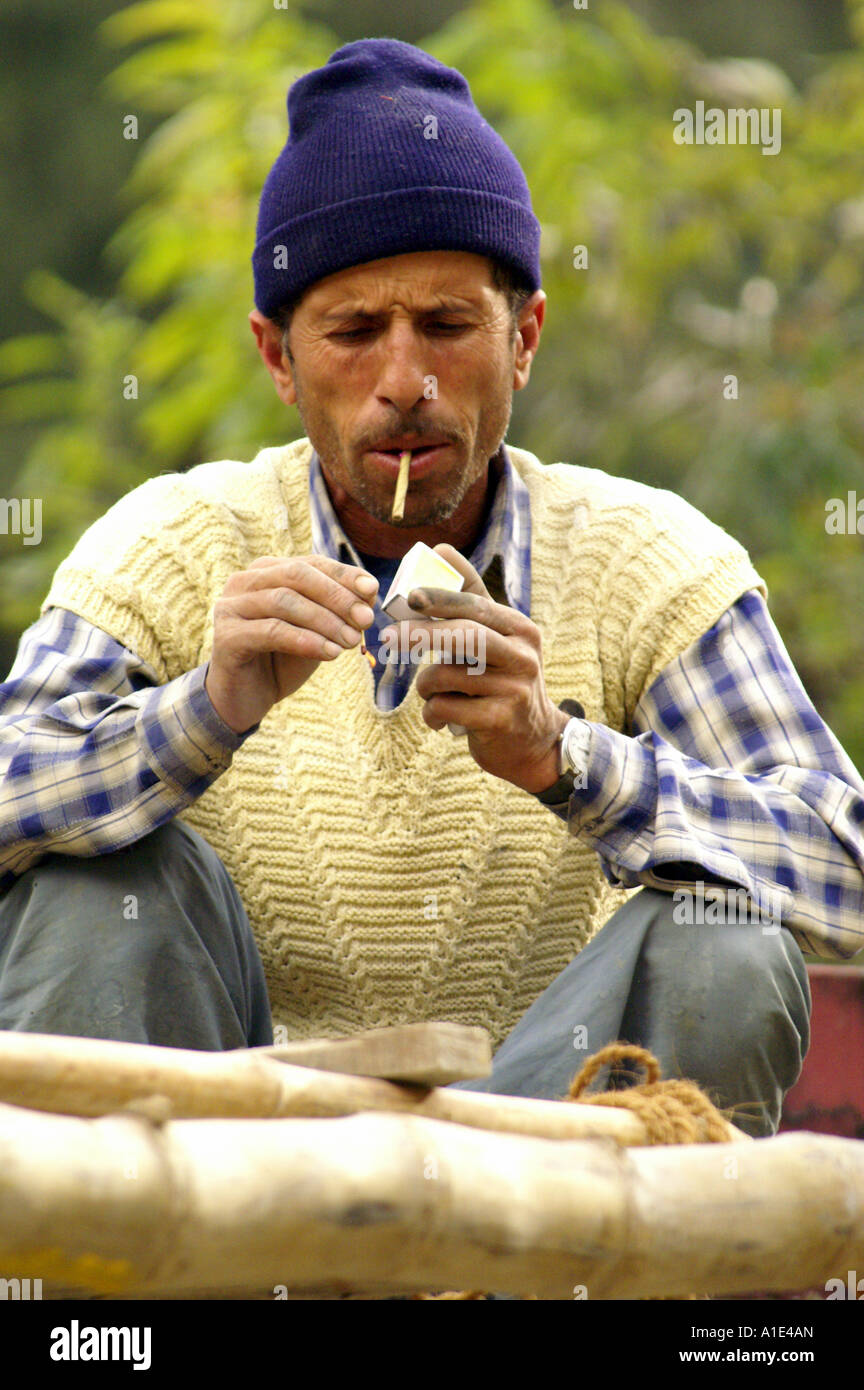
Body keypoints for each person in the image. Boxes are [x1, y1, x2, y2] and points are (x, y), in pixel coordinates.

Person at [1, 38, 862, 1139]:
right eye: (353, 333)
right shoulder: (174, 545)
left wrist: (567, 757)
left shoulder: (652, 558)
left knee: (726, 936)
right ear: (278, 358)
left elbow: (844, 868)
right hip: (227, 1162)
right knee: (86, 882)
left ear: (526, 340)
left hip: (543, 1169)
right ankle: (123, 1289)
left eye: (449, 328)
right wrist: (198, 716)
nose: (404, 383)